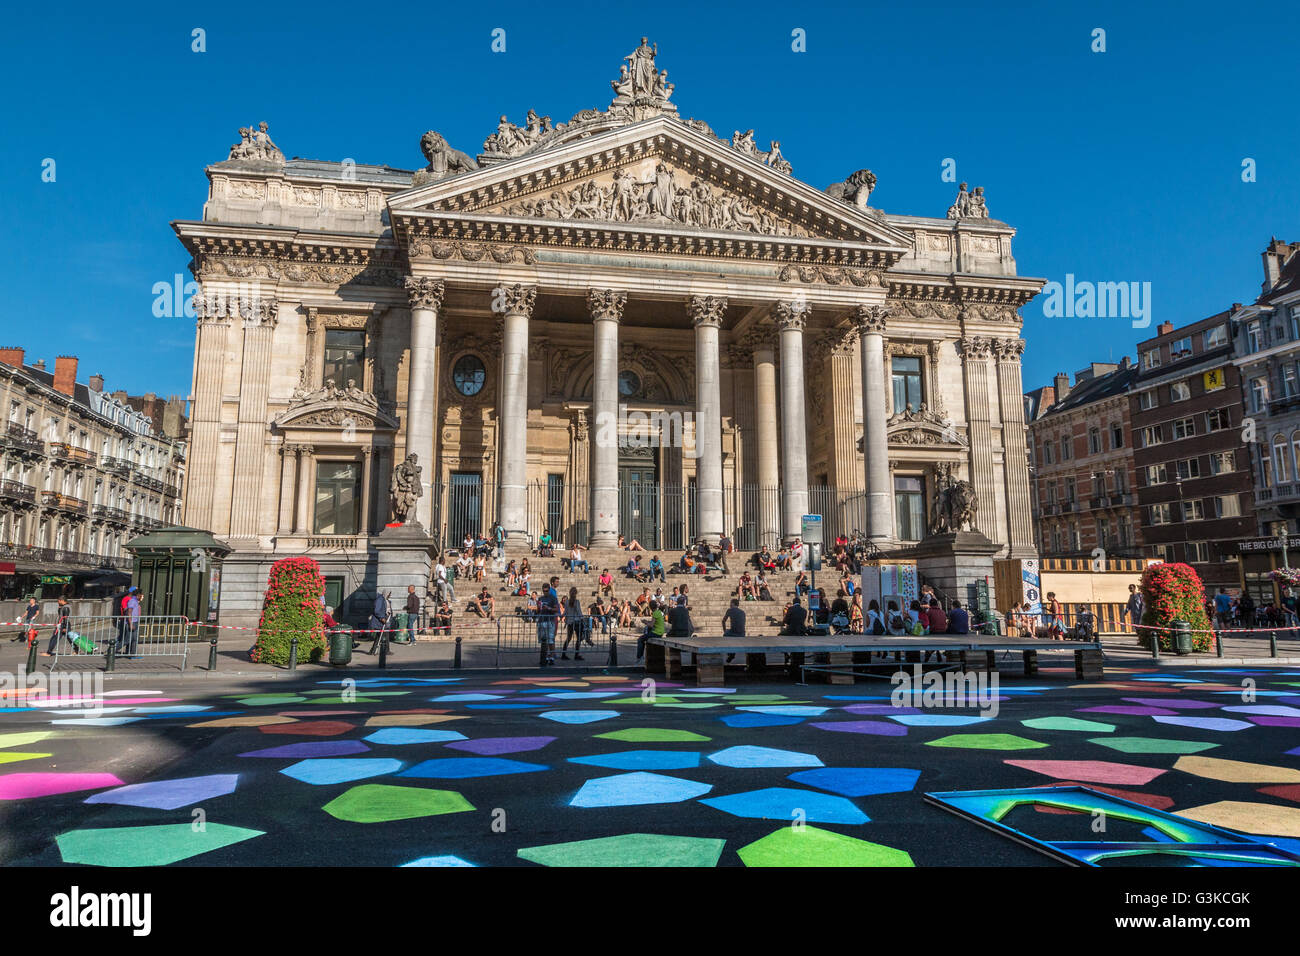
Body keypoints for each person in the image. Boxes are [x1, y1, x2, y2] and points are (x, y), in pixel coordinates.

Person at [536, 576, 560, 666]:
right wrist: (538, 608)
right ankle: (544, 657)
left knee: (551, 640)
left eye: (546, 591)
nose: (545, 592)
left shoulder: (552, 598)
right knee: (543, 640)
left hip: (550, 621)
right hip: (542, 621)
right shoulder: (540, 598)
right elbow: (538, 612)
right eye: (544, 591)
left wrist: (549, 608)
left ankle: (552, 657)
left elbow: (556, 609)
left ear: (549, 590)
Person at [560, 587, 587, 660]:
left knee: (568, 638)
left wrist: (561, 616)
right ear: (576, 593)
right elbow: (579, 612)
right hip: (577, 622)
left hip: (569, 622)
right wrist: (583, 620)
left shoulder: (567, 602)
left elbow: (565, 612)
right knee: (578, 639)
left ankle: (563, 654)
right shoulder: (576, 601)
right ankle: (576, 655)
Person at [722, 597, 746, 664]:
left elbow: (723, 621)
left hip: (734, 633)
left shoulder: (730, 610)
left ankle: (731, 653)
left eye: (730, 603)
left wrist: (724, 630)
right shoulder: (742, 612)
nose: (729, 604)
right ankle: (731, 653)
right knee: (730, 633)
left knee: (725, 635)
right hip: (742, 633)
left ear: (732, 603)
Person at [368, 589, 391, 655]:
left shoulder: (385, 600)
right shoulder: (380, 600)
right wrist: (382, 618)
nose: (390, 595)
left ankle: (373, 651)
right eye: (389, 594)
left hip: (383, 620)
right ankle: (385, 650)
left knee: (379, 636)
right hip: (380, 621)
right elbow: (377, 611)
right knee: (384, 635)